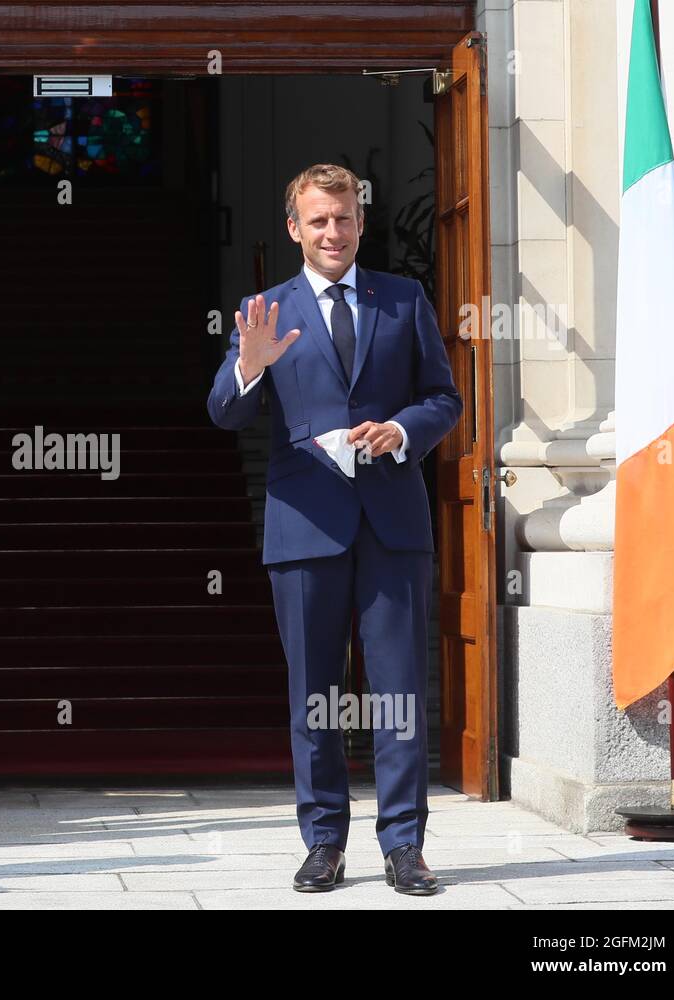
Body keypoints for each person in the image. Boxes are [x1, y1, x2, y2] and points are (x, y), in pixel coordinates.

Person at [207, 163, 463, 895]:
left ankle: (404, 846)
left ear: (360, 222)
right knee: (313, 692)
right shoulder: (265, 308)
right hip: (305, 526)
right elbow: (225, 412)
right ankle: (324, 843)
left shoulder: (403, 299)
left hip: (391, 524)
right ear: (295, 228)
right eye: (318, 220)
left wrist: (404, 430)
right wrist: (249, 370)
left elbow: (445, 396)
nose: (332, 232)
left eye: (344, 219)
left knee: (399, 691)